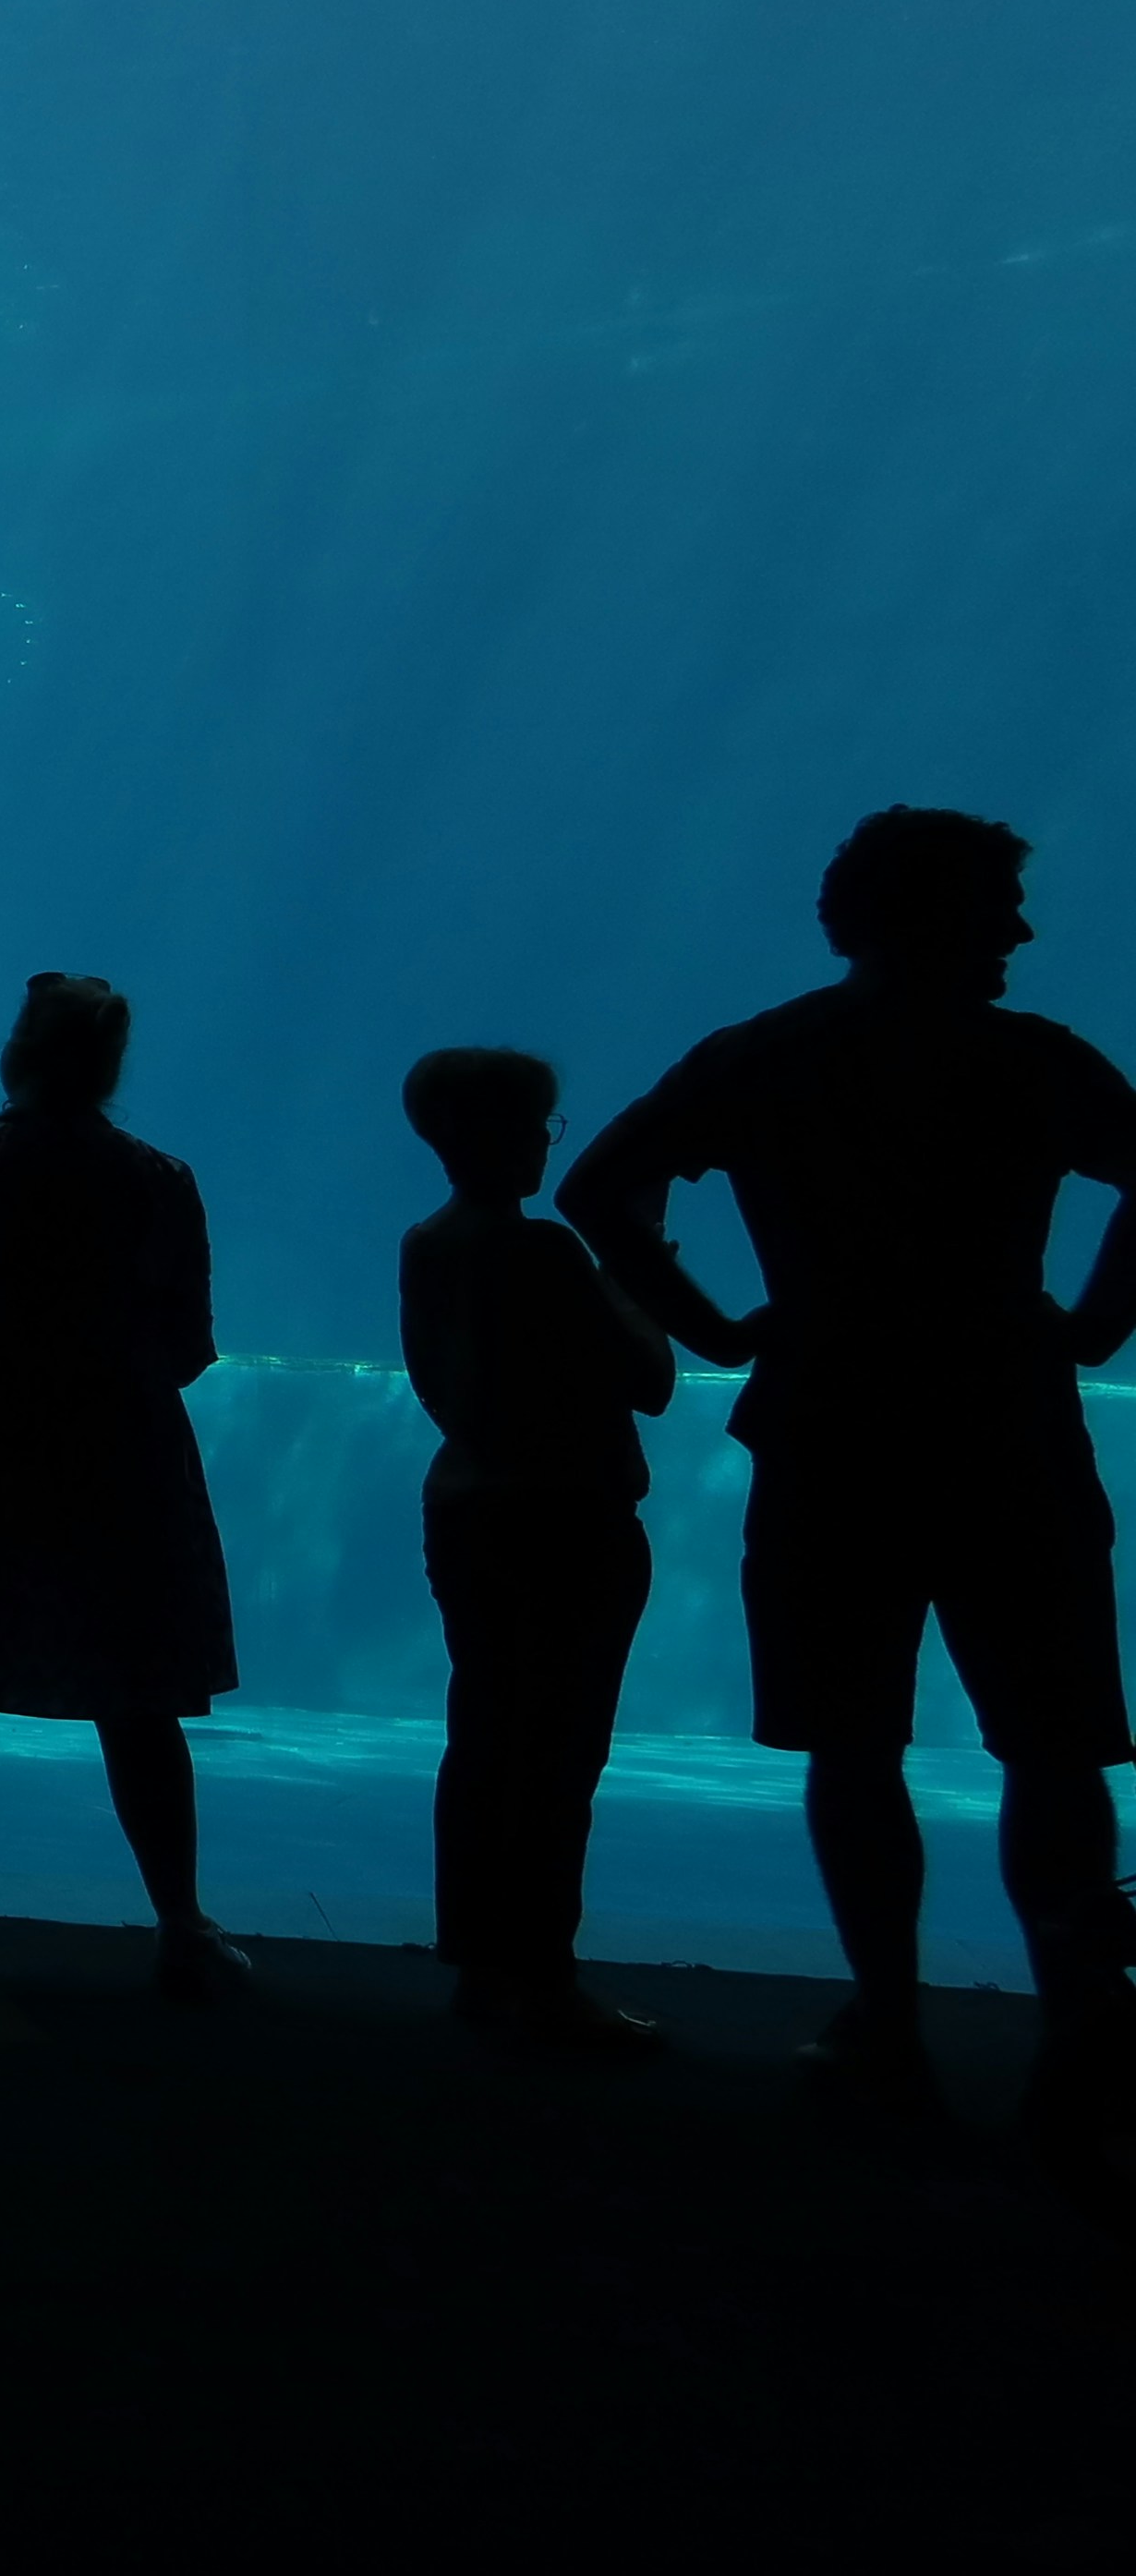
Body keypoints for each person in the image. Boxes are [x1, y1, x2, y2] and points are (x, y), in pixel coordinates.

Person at [561, 808, 1136, 2146]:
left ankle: (888, 2020)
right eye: (999, 906)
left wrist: (717, 1331)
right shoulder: (1031, 1062)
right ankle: (1079, 2034)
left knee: (854, 1741)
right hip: (1007, 1420)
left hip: (833, 1422)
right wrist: (1095, 1325)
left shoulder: (769, 1056)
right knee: (1053, 1742)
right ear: (932, 914)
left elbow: (600, 1189)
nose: (1020, 931)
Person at [0, 973, 252, 2001]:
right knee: (139, 1695)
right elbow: (190, 1349)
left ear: (15, 1054)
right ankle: (180, 1925)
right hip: (116, 1465)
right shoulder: (159, 1181)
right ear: (111, 1067)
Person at [398, 1046, 674, 2052]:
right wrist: (638, 1258)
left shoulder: (425, 1243)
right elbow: (649, 1380)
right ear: (501, 1135)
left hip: (470, 1509)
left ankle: (480, 1970)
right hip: (568, 1521)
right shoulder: (548, 1252)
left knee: (484, 1737)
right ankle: (548, 1978)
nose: (541, 1144)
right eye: (535, 1126)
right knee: (559, 1755)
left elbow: (438, 1382)